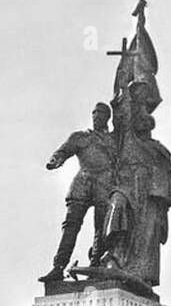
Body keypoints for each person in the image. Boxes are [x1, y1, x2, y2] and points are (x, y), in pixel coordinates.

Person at [40, 104, 117, 285]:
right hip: (82, 183)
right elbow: (63, 151)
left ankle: (95, 266)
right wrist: (55, 160)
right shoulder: (81, 137)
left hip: (104, 185)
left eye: (101, 114)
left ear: (107, 117)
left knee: (101, 229)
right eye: (95, 113)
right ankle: (58, 267)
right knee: (70, 227)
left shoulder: (114, 141)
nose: (97, 116)